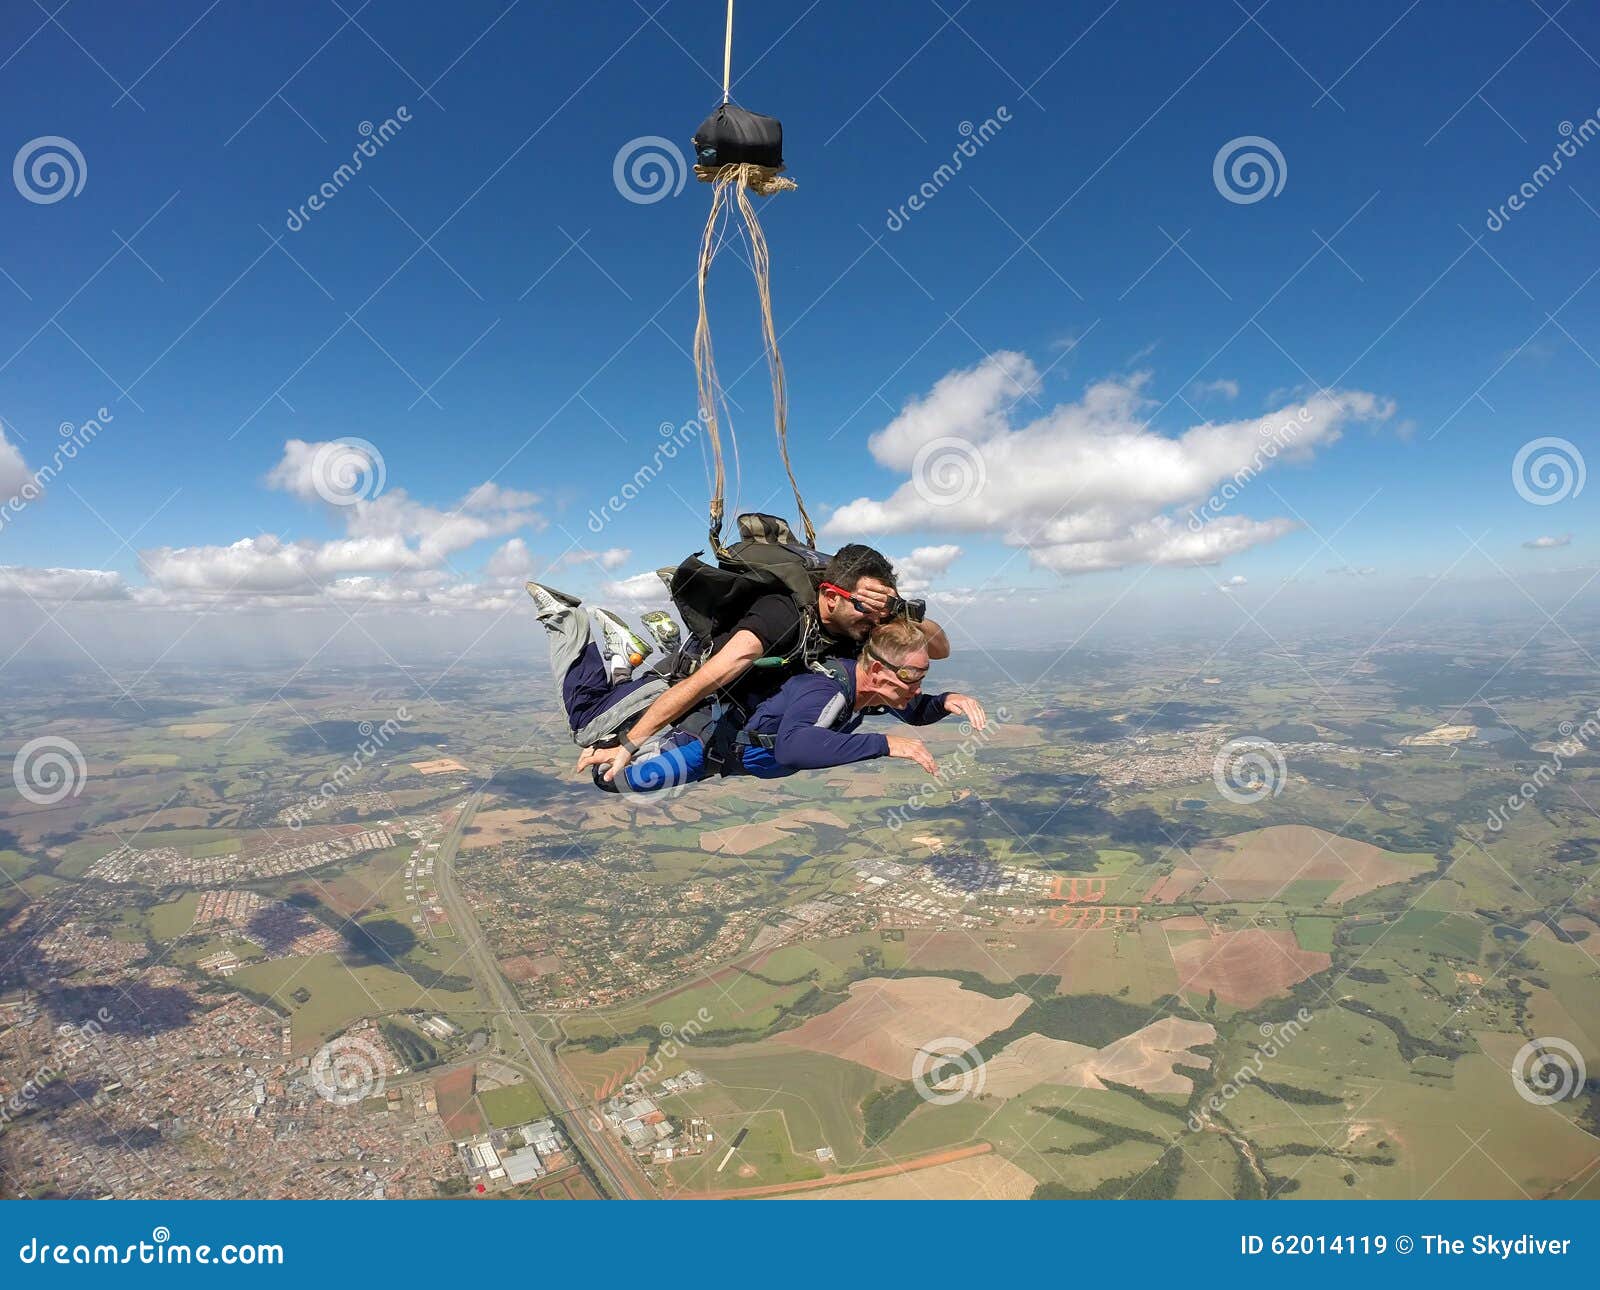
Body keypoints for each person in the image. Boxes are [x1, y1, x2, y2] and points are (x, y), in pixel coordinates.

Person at [593, 544, 950, 785]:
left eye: (880, 611)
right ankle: (623, 657)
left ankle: (663, 641)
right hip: (703, 693)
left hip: (741, 716)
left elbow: (938, 649)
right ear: (829, 596)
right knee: (601, 759)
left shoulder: (857, 624)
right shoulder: (781, 617)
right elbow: (707, 679)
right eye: (864, 607)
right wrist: (630, 743)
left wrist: (903, 610)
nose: (873, 619)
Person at [573, 617, 986, 793]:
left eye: (923, 677)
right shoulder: (827, 691)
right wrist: (887, 744)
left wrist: (945, 701)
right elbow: (793, 747)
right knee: (613, 781)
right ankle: (597, 646)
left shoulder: (871, 688)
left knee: (616, 769)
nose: (918, 686)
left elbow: (913, 709)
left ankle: (652, 655)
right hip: (706, 749)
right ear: (878, 669)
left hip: (724, 757)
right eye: (912, 676)